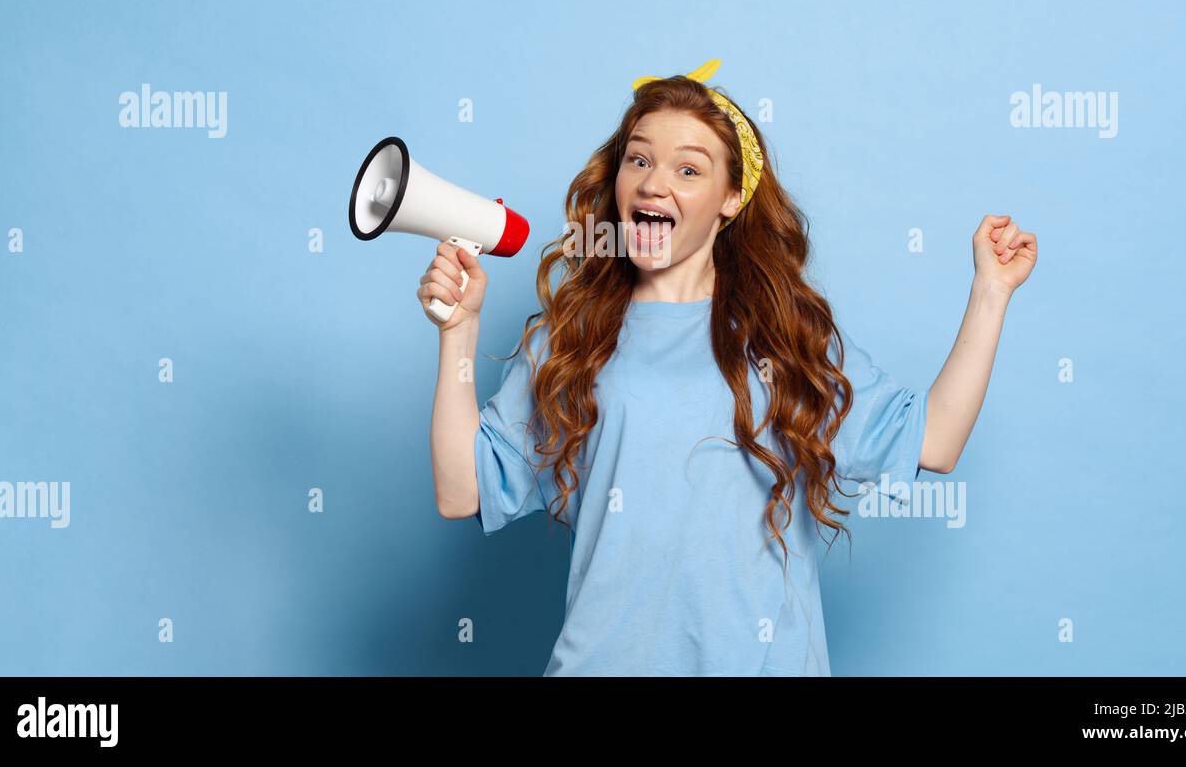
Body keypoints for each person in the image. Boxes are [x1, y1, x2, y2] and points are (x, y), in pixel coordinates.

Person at [421, 58, 1037, 675]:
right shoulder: (573, 337)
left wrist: (991, 291)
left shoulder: (783, 335)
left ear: (730, 199)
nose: (653, 183)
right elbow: (462, 491)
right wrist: (459, 331)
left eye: (689, 169)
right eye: (638, 160)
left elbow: (935, 441)